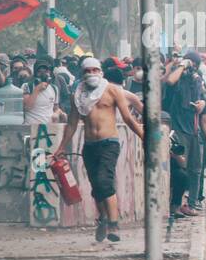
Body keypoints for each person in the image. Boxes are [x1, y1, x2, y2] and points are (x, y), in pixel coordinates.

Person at [54, 56, 145, 242]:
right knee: (96, 188)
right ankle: (103, 218)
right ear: (82, 74)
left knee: (104, 182)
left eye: (94, 70)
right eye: (87, 71)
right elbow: (71, 123)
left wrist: (143, 136)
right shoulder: (77, 95)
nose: (91, 73)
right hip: (89, 146)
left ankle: (114, 224)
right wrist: (61, 146)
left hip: (109, 143)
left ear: (100, 72)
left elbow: (128, 118)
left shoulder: (112, 90)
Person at [163, 51, 206, 216]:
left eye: (195, 65)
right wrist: (182, 64)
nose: (192, 68)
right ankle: (175, 204)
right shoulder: (177, 78)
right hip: (178, 130)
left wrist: (201, 103)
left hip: (194, 130)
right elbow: (170, 81)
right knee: (179, 167)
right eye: (191, 63)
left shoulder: (196, 80)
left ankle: (191, 204)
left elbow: (203, 99)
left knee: (196, 169)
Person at [23, 58, 58, 126]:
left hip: (49, 127)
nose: (43, 74)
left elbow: (56, 108)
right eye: (39, 71)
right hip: (31, 127)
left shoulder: (54, 88)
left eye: (46, 71)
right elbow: (27, 107)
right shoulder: (26, 86)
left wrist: (57, 113)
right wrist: (37, 89)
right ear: (35, 74)